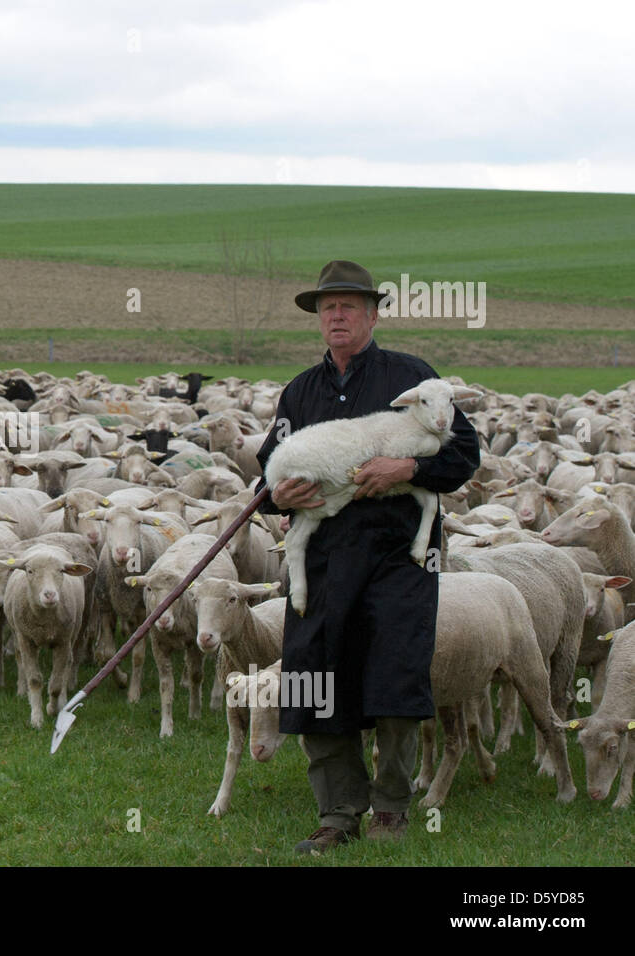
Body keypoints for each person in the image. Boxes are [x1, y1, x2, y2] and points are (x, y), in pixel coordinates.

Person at [253, 260, 480, 854]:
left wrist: (408, 467)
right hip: (324, 559)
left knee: (395, 673)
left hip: (397, 559)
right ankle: (337, 812)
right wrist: (277, 497)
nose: (337, 316)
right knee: (313, 677)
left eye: (349, 306)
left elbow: (464, 457)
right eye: (328, 308)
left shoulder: (413, 379)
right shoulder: (301, 392)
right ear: (318, 320)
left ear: (373, 315)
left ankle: (390, 806)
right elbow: (267, 473)